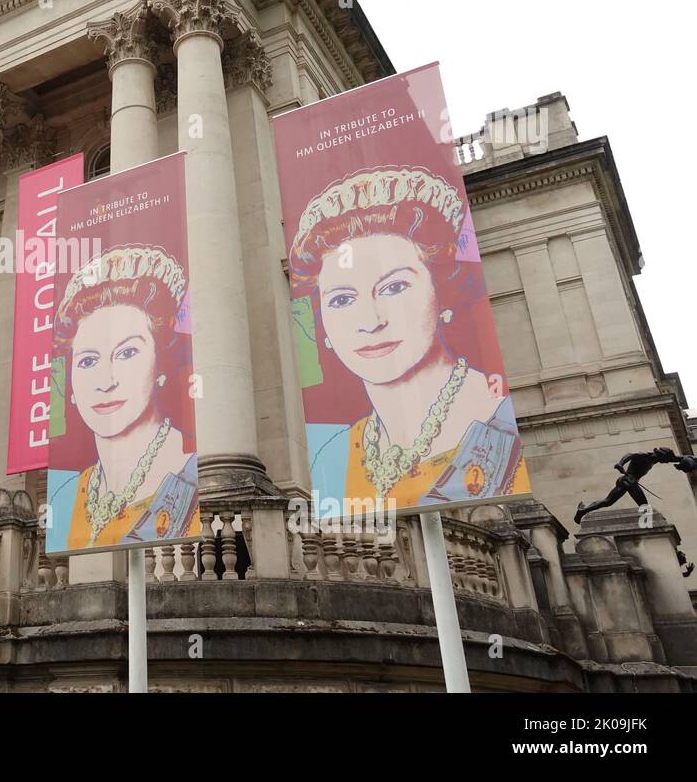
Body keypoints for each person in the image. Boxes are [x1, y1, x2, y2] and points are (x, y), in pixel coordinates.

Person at [289, 166, 531, 509]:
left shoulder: (497, 420)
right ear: (322, 325)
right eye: (342, 299)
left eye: (394, 287)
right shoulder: (331, 455)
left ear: (443, 294)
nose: (371, 322)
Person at [46, 244, 199, 550]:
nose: (106, 381)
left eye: (127, 353)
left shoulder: (195, 473)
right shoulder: (65, 494)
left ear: (161, 365)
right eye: (88, 361)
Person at [574, 447, 697, 523]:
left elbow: (677, 458)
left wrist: (690, 461)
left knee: (608, 501)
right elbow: (629, 455)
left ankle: (583, 511)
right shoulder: (643, 456)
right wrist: (620, 464)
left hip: (630, 482)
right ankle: (649, 525)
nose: (664, 463)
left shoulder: (658, 458)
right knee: (644, 506)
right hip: (628, 481)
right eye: (663, 460)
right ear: (660, 456)